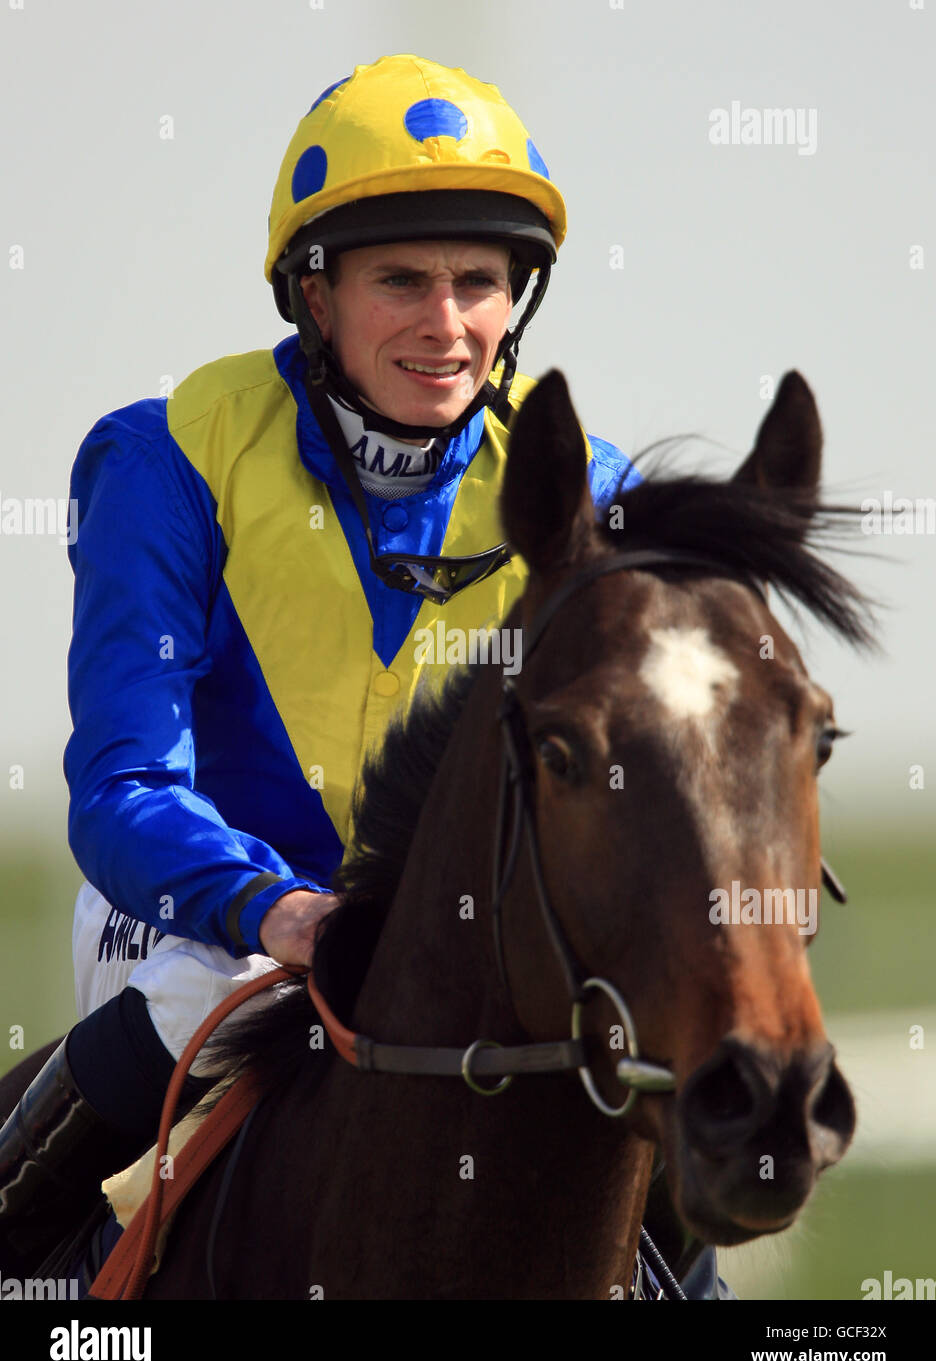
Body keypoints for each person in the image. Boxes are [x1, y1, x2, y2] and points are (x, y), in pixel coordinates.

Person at [0, 53, 724, 1297]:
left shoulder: (580, 489)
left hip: (461, 947)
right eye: (402, 281)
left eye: (479, 283)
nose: (446, 326)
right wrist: (284, 914)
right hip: (203, 922)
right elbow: (121, 785)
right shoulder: (164, 456)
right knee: (200, 991)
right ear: (313, 293)